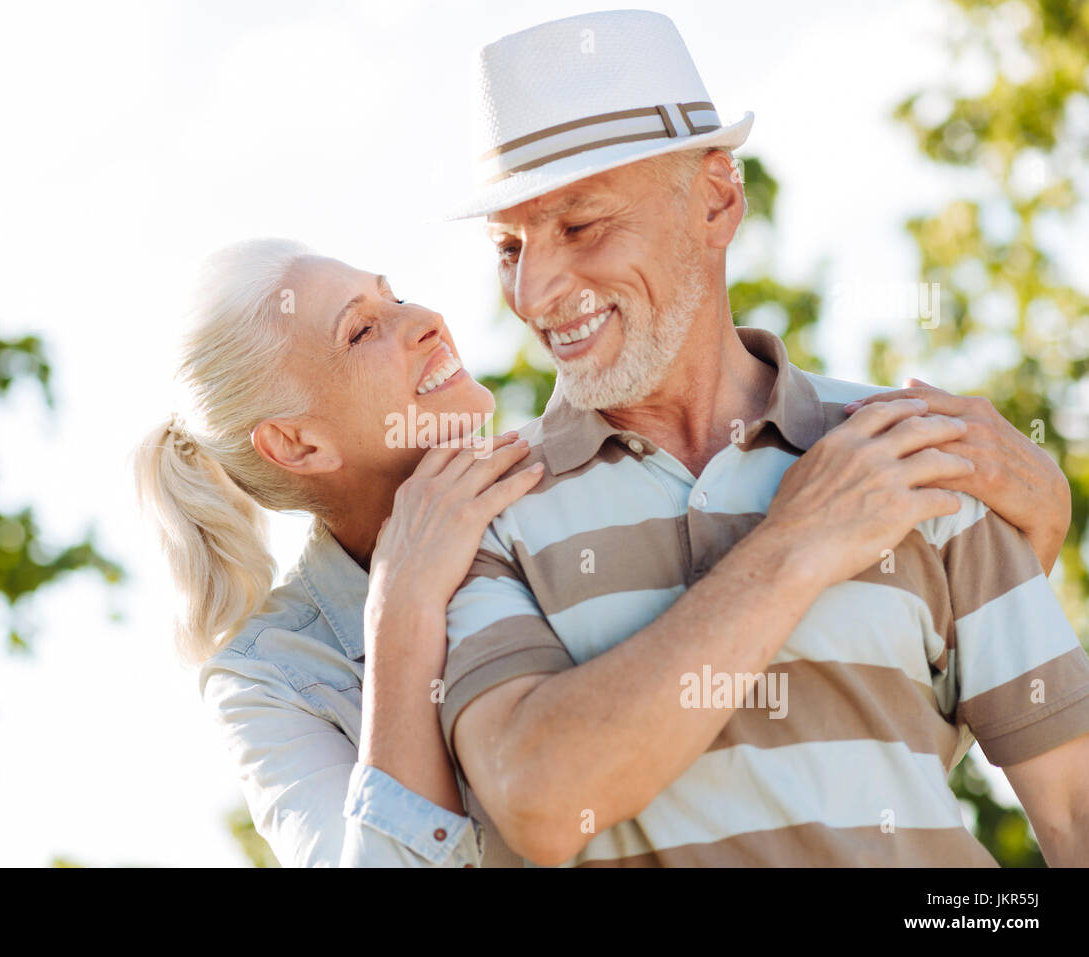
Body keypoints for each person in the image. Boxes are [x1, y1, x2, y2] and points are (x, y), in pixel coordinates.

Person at [133, 234, 1071, 866]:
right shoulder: (272, 676)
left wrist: (1040, 508)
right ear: (296, 445)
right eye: (363, 329)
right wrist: (403, 614)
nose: (425, 322)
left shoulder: (571, 477)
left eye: (396, 295)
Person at [438, 9, 1089, 867]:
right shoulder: (482, 515)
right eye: (509, 246)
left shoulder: (910, 449)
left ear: (715, 200)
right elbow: (542, 799)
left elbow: (1074, 806)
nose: (535, 288)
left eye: (580, 224)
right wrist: (798, 542)